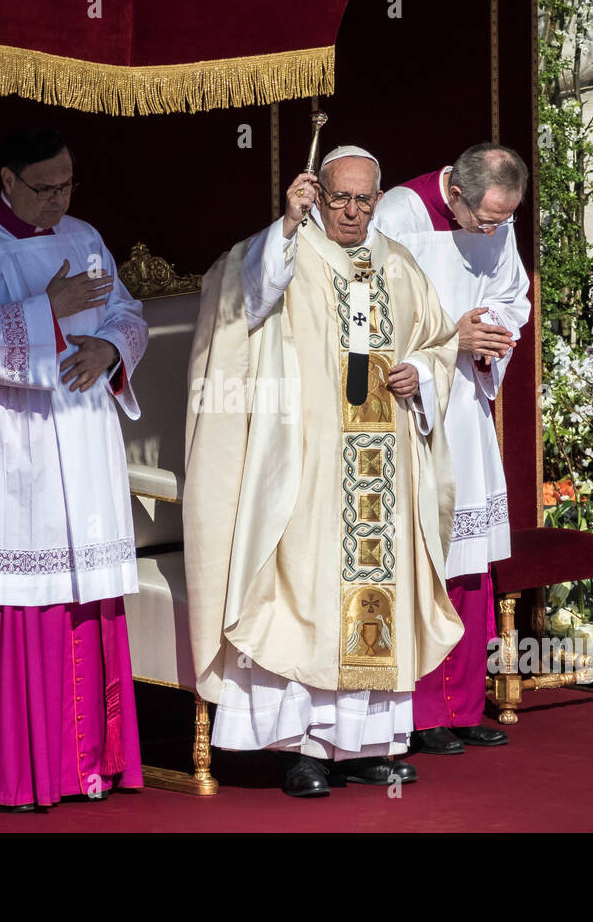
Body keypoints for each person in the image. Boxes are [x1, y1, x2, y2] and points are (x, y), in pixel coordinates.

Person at [185, 146, 462, 797]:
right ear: (317, 195)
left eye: (365, 200)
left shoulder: (396, 263)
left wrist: (419, 373)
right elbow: (244, 296)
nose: (353, 211)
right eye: (340, 198)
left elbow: (439, 340)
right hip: (307, 465)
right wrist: (286, 223)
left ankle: (365, 746)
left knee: (373, 602)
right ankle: (303, 750)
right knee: (307, 598)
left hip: (381, 466)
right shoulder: (289, 255)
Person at [0, 128, 148, 809]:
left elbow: (127, 309)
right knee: (13, 591)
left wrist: (107, 347)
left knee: (75, 589)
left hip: (79, 444)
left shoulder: (85, 238)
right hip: (4, 450)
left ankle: (86, 765)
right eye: (44, 187)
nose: (57, 200)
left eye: (67, 185)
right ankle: (1, 769)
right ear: (7, 181)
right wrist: (49, 309)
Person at [369, 143, 532, 755]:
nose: (494, 230)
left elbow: (513, 295)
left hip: (467, 403)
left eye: (504, 220)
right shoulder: (400, 215)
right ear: (456, 194)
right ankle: (417, 713)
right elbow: (369, 317)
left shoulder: (496, 217)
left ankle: (461, 705)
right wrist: (447, 337)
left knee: (467, 561)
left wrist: (494, 333)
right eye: (487, 219)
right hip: (411, 408)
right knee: (421, 559)